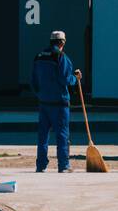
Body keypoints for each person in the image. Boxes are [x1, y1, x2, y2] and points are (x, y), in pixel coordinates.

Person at [31, 30, 81, 173]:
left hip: (44, 103)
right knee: (62, 135)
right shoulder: (61, 57)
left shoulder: (39, 56)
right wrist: (75, 78)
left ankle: (41, 165)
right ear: (62, 43)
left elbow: (33, 81)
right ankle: (63, 165)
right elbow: (65, 79)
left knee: (42, 136)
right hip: (59, 103)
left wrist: (41, 94)